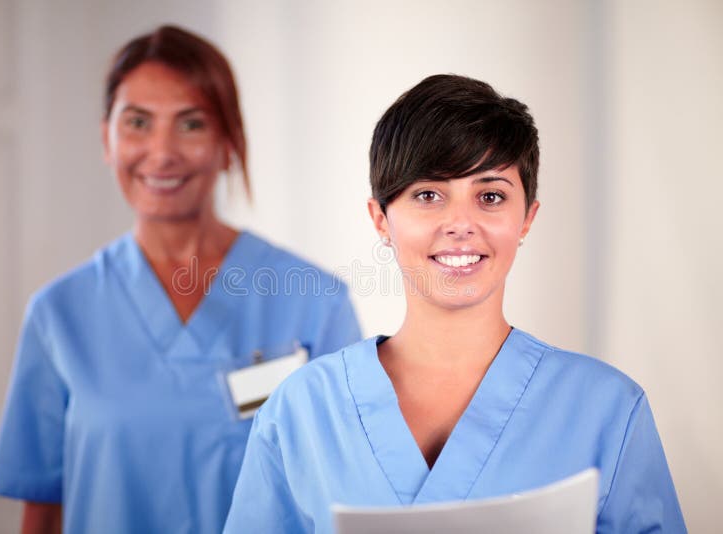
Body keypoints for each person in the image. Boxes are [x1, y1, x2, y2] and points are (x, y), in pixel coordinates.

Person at [223, 74, 686, 533]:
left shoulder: (607, 410)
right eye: (428, 195)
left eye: (490, 196)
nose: (460, 223)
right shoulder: (301, 411)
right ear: (381, 220)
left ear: (527, 219)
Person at [0, 25, 361, 534]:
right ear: (106, 139)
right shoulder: (59, 314)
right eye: (138, 122)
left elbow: (346, 499)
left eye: (191, 124)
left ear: (229, 142)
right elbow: (43, 511)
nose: (161, 152)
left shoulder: (315, 303)